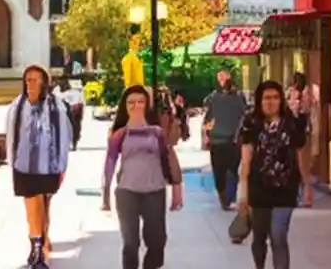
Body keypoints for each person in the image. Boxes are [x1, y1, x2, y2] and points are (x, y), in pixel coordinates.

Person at [102, 85, 185, 269]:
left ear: (147, 105)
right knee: (130, 244)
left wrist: (177, 188)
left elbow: (169, 158)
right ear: (125, 106)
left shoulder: (157, 132)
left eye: (140, 102)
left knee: (157, 242)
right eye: (131, 102)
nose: (136, 106)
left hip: (154, 191)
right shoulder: (119, 134)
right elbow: (109, 163)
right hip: (127, 192)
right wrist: (105, 193)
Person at [236, 80, 313, 269]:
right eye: (267, 98)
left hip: (286, 187)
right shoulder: (251, 122)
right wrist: (243, 192)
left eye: (276, 97)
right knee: (259, 237)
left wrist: (307, 185)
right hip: (258, 187)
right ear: (260, 101)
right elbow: (246, 160)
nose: (271, 102)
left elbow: (300, 155)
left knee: (278, 235)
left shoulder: (292, 124)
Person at [6, 65, 73, 268]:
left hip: (48, 166)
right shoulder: (18, 105)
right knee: (32, 207)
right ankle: (37, 246)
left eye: (35, 79)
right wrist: (12, 163)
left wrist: (62, 166)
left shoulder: (55, 106)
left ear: (44, 82)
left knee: (43, 207)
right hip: (24, 165)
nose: (30, 83)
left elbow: (63, 136)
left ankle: (41, 245)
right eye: (27, 79)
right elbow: (11, 135)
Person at [203, 70, 248, 210]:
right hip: (218, 140)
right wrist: (206, 135)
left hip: (232, 140)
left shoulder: (238, 97)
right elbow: (207, 119)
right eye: (220, 79)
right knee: (220, 171)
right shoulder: (213, 98)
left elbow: (244, 116)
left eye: (224, 79)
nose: (223, 82)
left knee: (231, 170)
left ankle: (227, 198)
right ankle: (225, 198)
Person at [56, 79, 85, 151]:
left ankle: (71, 142)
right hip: (78, 110)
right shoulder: (80, 93)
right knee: (77, 126)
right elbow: (82, 103)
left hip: (72, 111)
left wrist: (57, 89)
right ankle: (75, 142)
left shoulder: (68, 93)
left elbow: (59, 96)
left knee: (71, 126)